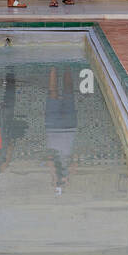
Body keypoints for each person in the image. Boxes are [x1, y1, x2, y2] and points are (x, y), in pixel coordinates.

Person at [44, 66, 78, 195]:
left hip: (52, 127)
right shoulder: (68, 169)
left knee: (53, 93)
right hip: (70, 127)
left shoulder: (52, 168)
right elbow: (76, 158)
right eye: (61, 183)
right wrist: (68, 176)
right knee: (68, 91)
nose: (60, 181)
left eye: (57, 183)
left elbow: (49, 158)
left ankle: (53, 66)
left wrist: (54, 176)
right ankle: (68, 65)